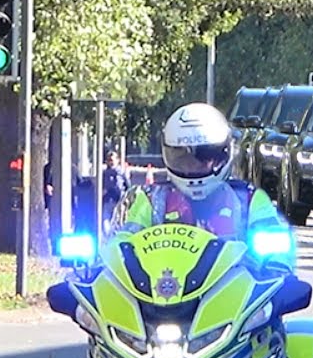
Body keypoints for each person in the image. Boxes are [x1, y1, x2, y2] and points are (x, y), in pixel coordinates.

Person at [115, 102, 289, 263]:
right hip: (162, 290)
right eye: (182, 158)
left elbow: (278, 257)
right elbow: (122, 243)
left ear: (224, 153)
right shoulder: (152, 200)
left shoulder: (249, 199)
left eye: (204, 157)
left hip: (233, 291)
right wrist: (114, 256)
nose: (192, 166)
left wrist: (275, 265)